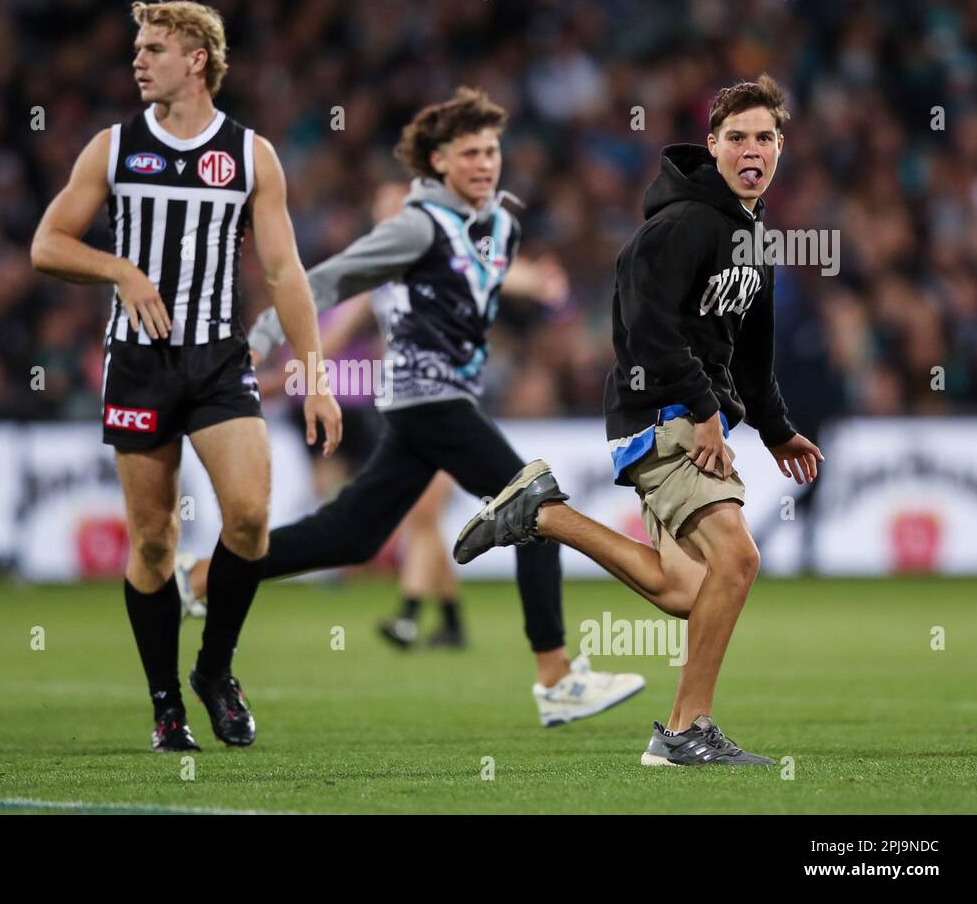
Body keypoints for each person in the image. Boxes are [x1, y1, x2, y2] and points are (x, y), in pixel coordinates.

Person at [185, 89, 644, 727]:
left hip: (427, 408)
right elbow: (328, 279)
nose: (486, 163)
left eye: (492, 151)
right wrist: (260, 341)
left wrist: (532, 283)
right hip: (428, 400)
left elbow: (478, 270)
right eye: (470, 153)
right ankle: (557, 678)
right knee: (538, 510)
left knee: (350, 535)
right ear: (437, 161)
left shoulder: (492, 227)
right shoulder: (416, 224)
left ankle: (207, 575)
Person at [455, 75, 825, 765]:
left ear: (782, 147)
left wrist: (775, 429)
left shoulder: (752, 237)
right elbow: (643, 322)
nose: (752, 149)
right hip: (666, 412)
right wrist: (704, 410)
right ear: (712, 144)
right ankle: (685, 731)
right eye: (737, 136)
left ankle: (544, 513)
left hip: (674, 412)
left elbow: (751, 356)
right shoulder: (684, 224)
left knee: (688, 588)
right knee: (739, 562)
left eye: (765, 137)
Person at [31, 0, 341, 752]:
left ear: (197, 59)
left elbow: (283, 270)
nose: (138, 59)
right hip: (137, 363)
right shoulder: (111, 148)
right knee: (152, 543)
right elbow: (47, 244)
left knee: (248, 518)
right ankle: (165, 704)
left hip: (217, 361)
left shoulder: (248, 154)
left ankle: (215, 671)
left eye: (154, 48)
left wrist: (316, 374)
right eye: (137, 47)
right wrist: (122, 272)